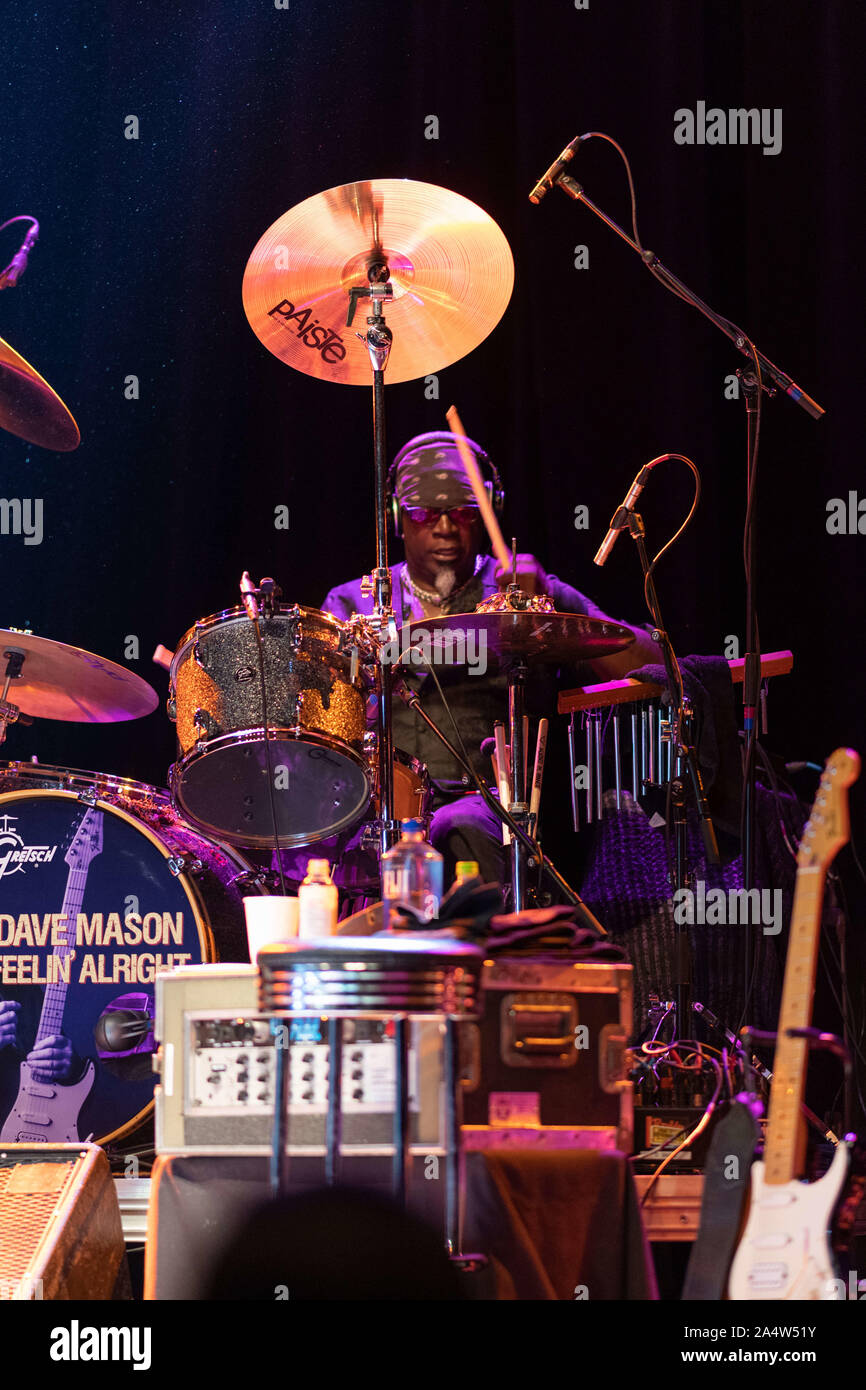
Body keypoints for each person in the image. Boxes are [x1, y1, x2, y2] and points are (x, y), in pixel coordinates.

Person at [321, 431, 656, 893]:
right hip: (382, 804)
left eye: (461, 511)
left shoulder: (525, 591)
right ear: (397, 518)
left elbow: (651, 666)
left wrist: (556, 609)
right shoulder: (352, 603)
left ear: (487, 513)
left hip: (497, 806)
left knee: (459, 827)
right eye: (423, 512)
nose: (444, 528)